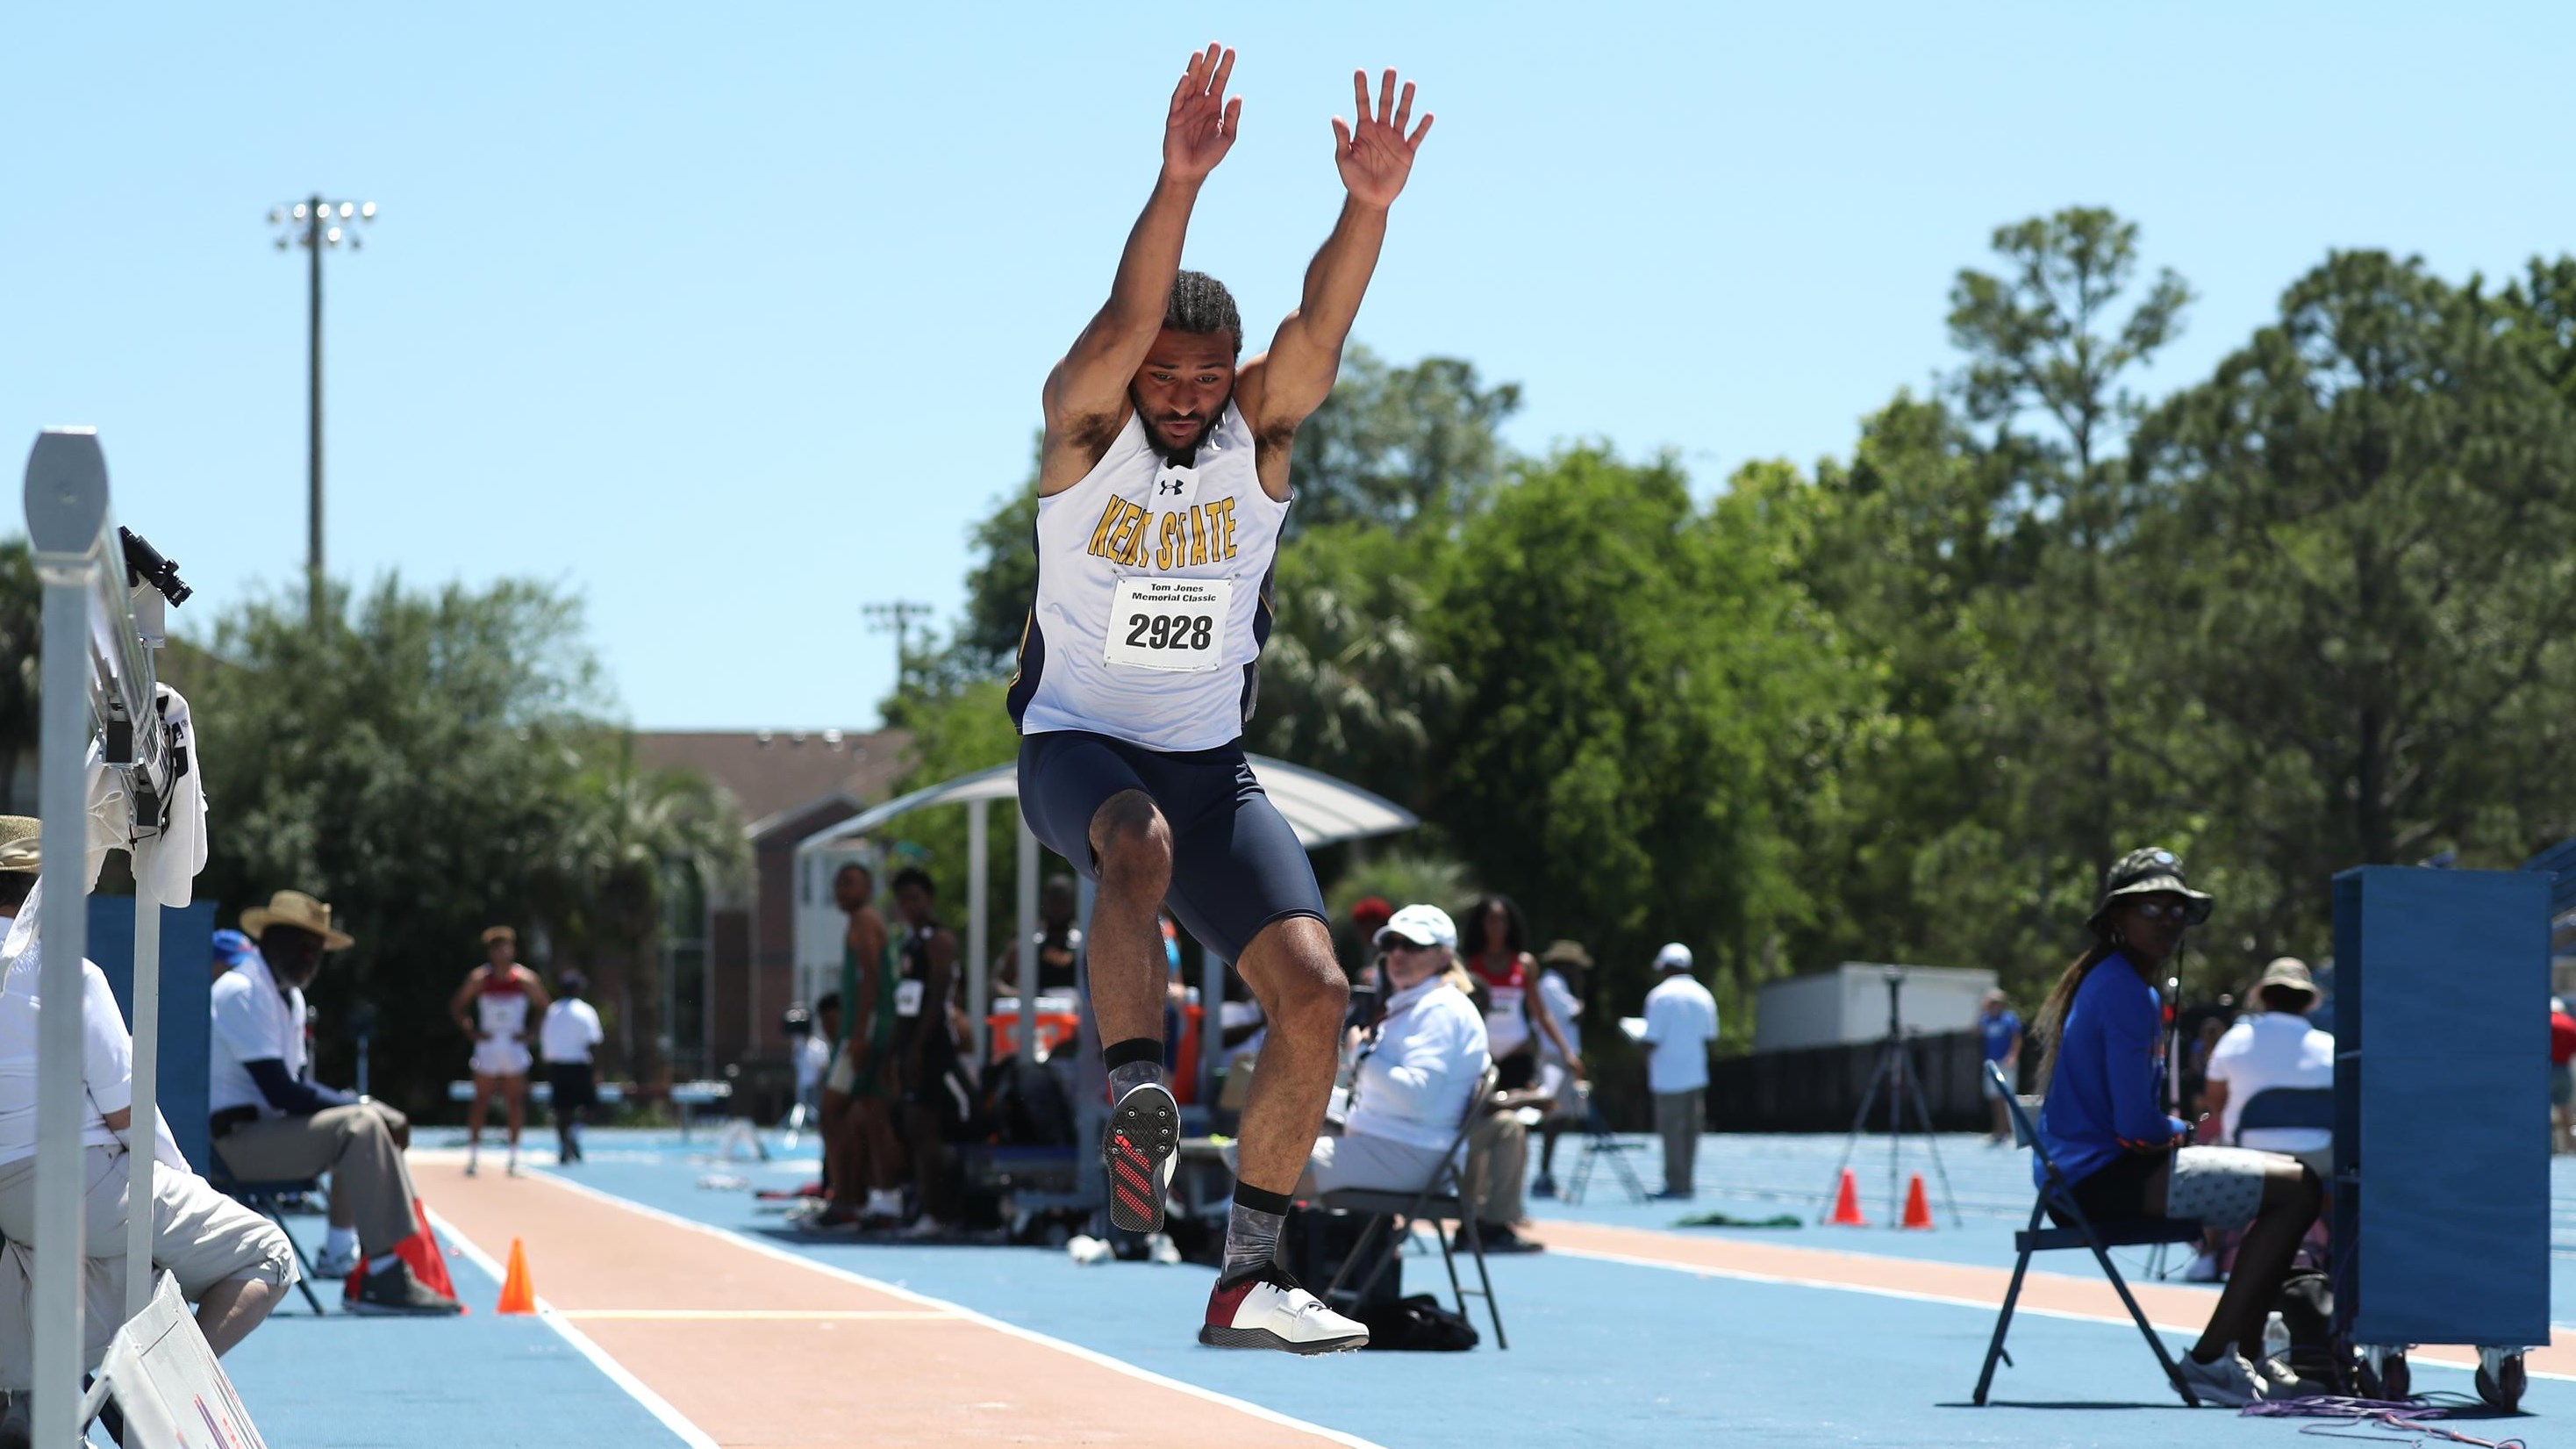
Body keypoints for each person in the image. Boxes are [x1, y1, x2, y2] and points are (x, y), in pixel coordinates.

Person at [1005, 43, 1431, 1353]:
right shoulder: (1086, 430)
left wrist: (1365, 210)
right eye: (1166, 377)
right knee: (1135, 844)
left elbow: (1320, 332)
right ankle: (1139, 1091)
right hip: (1080, 744)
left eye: (1207, 377)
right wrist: (1177, 180)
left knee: (1316, 993)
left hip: (1211, 762)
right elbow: (1126, 326)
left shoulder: (1263, 432)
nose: (1185, 397)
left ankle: (1249, 1274)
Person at [0, 820, 297, 1370]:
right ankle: (149, 1391)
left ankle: (31, 1404)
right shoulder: (71, 976)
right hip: (82, 1185)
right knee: (266, 1252)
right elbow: (127, 1113)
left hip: (12, 1199)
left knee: (110, 1275)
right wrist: (183, 1180)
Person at [2032, 848, 2322, 1406]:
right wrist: (2179, 1127)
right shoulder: (2125, 991)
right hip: (2099, 1181)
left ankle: (2241, 1353)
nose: (2168, 921)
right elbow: (2134, 1125)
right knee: (2299, 1189)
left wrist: (2170, 1129)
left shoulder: (2111, 979)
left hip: (2087, 1175)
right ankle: (2215, 1359)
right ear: (2119, 917)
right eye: (2152, 908)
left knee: (2291, 1182)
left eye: (2176, 910)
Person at [209, 890, 460, 1315]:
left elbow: (297, 1087)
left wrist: (359, 1105)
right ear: (273, 939)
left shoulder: (288, 996)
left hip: (266, 1134)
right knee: (358, 1125)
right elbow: (282, 1092)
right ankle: (382, 1275)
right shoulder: (242, 990)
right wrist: (366, 1105)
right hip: (232, 1144)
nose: (311, 959)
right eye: (304, 946)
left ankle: (344, 1256)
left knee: (356, 1123)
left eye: (318, 951)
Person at [1284, 906, 1513, 1300]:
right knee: (1264, 1147)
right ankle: (1272, 1293)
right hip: (1397, 1147)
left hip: (1410, 1156)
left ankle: (1266, 1293)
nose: (1398, 954)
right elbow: (1393, 1098)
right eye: (1391, 944)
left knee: (1264, 1164)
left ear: (1444, 955)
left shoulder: (1440, 1009)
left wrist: (1362, 1056)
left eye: (1412, 945)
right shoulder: (1416, 1004)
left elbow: (1418, 1096)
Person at [815, 861, 905, 1230]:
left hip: (864, 1032)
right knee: (872, 1115)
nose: (842, 891)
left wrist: (858, 1034)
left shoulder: (865, 921)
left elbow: (870, 979)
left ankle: (849, 1199)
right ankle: (882, 1201)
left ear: (867, 888)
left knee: (831, 1113)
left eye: (849, 883)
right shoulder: (863, 921)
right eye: (838, 884)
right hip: (869, 1030)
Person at [887, 867, 962, 1237]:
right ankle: (924, 1208)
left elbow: (936, 998)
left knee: (927, 1129)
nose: (909, 906)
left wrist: (916, 1048)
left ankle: (939, 1213)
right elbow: (906, 1003)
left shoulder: (939, 940)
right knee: (914, 1128)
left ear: (928, 899)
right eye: (903, 900)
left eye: (915, 898)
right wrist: (895, 1048)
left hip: (933, 1045)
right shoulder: (909, 943)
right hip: (911, 1043)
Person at [451, 925, 549, 1177]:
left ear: (512, 950)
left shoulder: (526, 980)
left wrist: (530, 1033)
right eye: (497, 949)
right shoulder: (480, 979)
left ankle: (514, 1156)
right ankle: (473, 1155)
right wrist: (472, 1031)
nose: (502, 953)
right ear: (491, 953)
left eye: (506, 948)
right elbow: (458, 1006)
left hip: (514, 1044)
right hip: (489, 1043)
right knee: (480, 1100)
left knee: (515, 1101)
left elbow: (543, 1006)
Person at [1459, 895, 1580, 1094]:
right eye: (1491, 919)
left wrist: (1566, 1052)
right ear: (1481, 923)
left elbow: (1541, 1014)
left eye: (1502, 919)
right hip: (1481, 1053)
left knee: (1519, 1113)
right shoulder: (1469, 966)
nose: (1497, 926)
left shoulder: (1524, 964)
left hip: (1516, 1052)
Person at [1642, 943, 1718, 1200]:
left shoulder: (1659, 996)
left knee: (1671, 1133)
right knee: (1691, 1134)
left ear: (1666, 968)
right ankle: (1686, 1182)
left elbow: (1651, 1039)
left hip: (1667, 1077)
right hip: (1695, 1074)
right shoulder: (1704, 995)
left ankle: (1674, 1184)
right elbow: (1710, 1037)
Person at [1528, 939, 1590, 1198]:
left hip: (1559, 1058)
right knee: (1551, 1118)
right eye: (1575, 967)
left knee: (1557, 1118)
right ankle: (1542, 1175)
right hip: (1555, 1059)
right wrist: (1581, 997)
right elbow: (1574, 1014)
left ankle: (1546, 1174)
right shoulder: (1552, 985)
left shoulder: (1554, 985)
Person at [539, 970, 604, 1166]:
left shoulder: (552, 1011)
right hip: (579, 1065)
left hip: (557, 1066)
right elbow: (593, 1042)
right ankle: (573, 1135)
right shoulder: (585, 1011)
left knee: (562, 1110)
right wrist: (597, 1070)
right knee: (590, 1107)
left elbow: (546, 1041)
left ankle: (564, 1147)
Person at [995, 874, 1085, 998]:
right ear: (1045, 901)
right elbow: (997, 983)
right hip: (1037, 1013)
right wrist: (1023, 996)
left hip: (1077, 1013)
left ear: (1072, 902)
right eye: (1054, 900)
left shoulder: (1085, 942)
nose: (1058, 908)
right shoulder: (1026, 942)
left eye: (1063, 901)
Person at [1979, 989, 2023, 1144]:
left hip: (2005, 1062)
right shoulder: (1985, 1019)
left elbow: (2017, 1038)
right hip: (1992, 1063)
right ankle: (1998, 1129)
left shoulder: (2009, 1019)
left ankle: (2009, 1130)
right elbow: (1975, 1032)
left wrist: (2012, 1056)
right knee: (1995, 1098)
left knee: (2006, 1097)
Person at [2550, 997, 2575, 1156]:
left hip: (2546, 1070)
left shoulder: (2546, 1023)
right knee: (2564, 1108)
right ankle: (2569, 1146)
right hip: (2563, 1069)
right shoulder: (2570, 1023)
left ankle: (2551, 1146)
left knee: (2543, 1109)